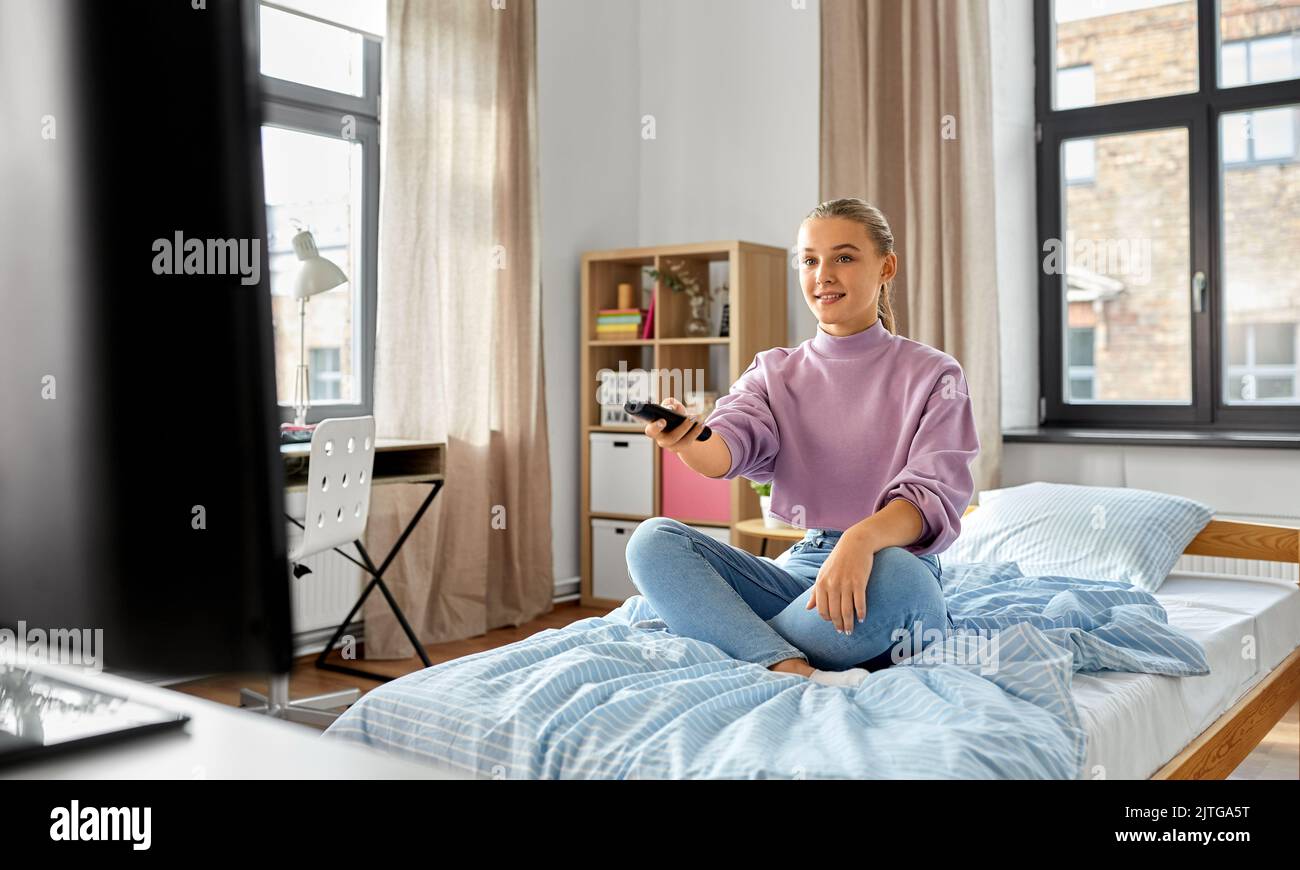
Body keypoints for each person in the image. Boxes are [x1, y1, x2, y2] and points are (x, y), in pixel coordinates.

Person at [624, 198, 980, 688]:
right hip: (801, 577)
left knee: (901, 578)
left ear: (886, 267)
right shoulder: (773, 370)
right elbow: (726, 448)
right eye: (810, 260)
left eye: (844, 257)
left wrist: (859, 540)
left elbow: (930, 497)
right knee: (652, 541)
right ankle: (787, 665)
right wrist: (689, 439)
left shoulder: (936, 374)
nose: (823, 275)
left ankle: (735, 638)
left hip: (891, 570)